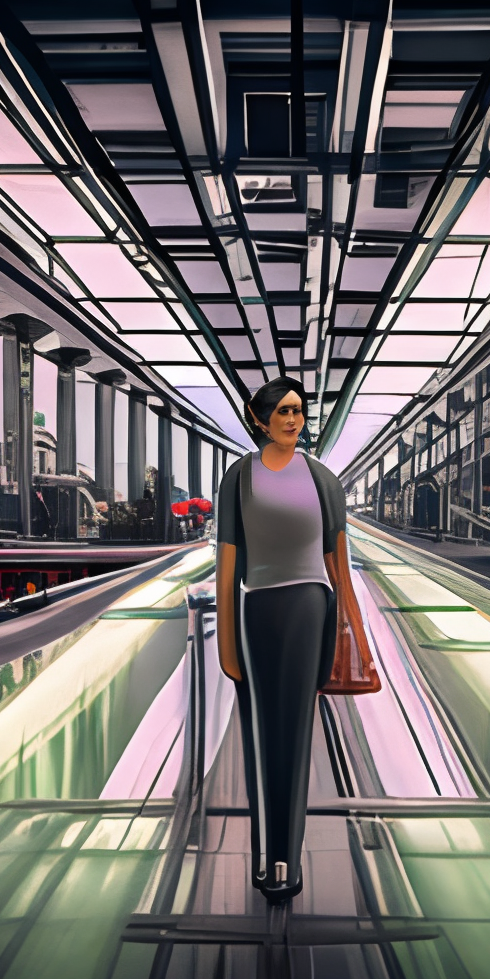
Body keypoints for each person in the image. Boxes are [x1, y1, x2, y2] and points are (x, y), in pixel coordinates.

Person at [215, 376, 368, 903]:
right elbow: (228, 562)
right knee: (259, 732)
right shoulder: (238, 478)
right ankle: (264, 853)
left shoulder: (323, 479)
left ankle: (287, 855)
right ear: (259, 418)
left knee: (295, 732)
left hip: (309, 608)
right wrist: (225, 639)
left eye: (298, 410)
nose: (292, 420)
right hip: (257, 608)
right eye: (281, 411)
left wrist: (348, 624)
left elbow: (338, 562)